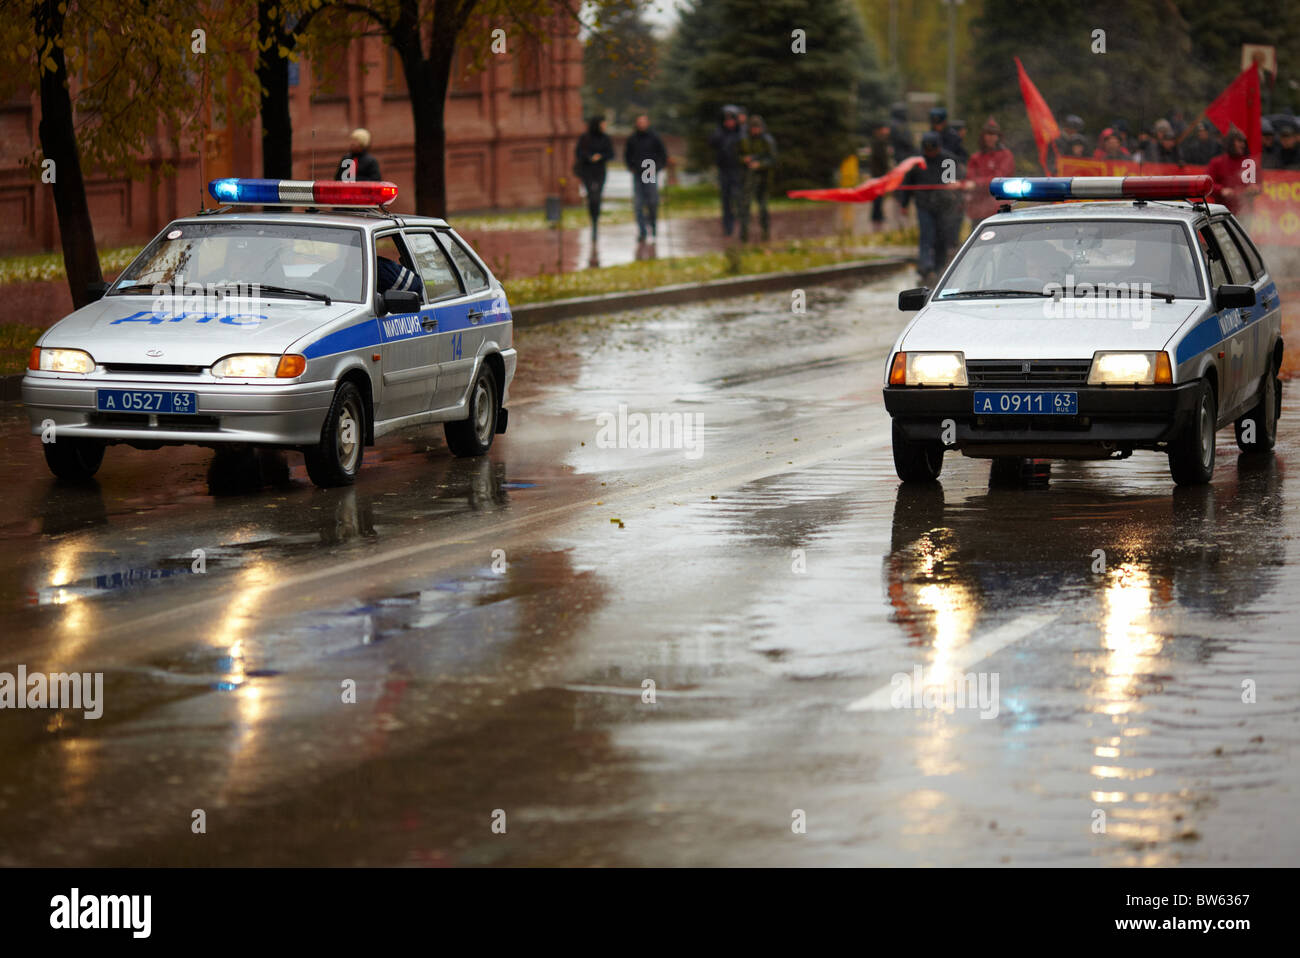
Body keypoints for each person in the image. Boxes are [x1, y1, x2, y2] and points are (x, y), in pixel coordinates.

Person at [900, 131, 963, 286]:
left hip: (944, 205)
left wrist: (954, 188)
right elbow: (908, 182)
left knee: (942, 237)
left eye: (932, 149)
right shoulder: (916, 161)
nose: (930, 153)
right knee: (926, 235)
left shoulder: (948, 160)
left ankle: (939, 267)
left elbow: (955, 182)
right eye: (927, 149)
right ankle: (925, 267)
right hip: (924, 204)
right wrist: (904, 203)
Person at [624, 114, 669, 242]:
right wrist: (630, 166)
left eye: (643, 122)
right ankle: (642, 230)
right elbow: (627, 155)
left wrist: (658, 167)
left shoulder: (654, 137)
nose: (641, 124)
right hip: (637, 172)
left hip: (650, 171)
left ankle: (652, 225)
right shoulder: (632, 139)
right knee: (638, 203)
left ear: (647, 123)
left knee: (652, 201)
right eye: (639, 122)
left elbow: (662, 154)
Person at [964, 118, 1014, 225]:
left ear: (998, 137)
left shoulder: (1006, 155)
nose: (990, 138)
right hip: (978, 210)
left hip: (999, 209)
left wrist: (976, 183)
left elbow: (999, 179)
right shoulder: (975, 157)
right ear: (983, 136)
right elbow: (969, 178)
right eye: (988, 134)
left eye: (993, 134)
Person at [573, 116, 614, 242]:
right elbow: (578, 152)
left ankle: (596, 220)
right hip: (587, 171)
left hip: (600, 171)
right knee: (592, 196)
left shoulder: (605, 138)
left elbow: (611, 154)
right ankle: (593, 219)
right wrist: (589, 157)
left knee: (597, 196)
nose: (605, 126)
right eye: (603, 123)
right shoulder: (585, 138)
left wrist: (600, 157)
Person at [738, 115, 777, 242]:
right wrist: (745, 159)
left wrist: (760, 164)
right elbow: (738, 154)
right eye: (753, 128)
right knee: (745, 205)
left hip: (764, 178)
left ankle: (765, 232)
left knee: (763, 206)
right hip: (749, 178)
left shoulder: (767, 140)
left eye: (757, 128)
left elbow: (773, 159)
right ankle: (744, 234)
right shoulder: (745, 140)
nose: (755, 131)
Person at [1206, 129, 1259, 215]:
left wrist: (1254, 188)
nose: (1242, 145)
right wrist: (1221, 190)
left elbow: (1256, 184)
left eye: (1244, 142)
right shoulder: (1217, 162)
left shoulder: (1249, 163)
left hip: (1245, 212)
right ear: (1230, 143)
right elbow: (1208, 184)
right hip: (1222, 213)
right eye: (1239, 141)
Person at [709, 108, 744, 237]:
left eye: (731, 120)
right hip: (724, 170)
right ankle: (727, 227)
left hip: (737, 170)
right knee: (726, 200)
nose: (729, 123)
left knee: (738, 197)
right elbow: (712, 142)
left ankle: (741, 225)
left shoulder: (740, 133)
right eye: (726, 120)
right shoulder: (720, 133)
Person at [868, 120, 893, 230]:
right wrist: (887, 170)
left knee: (879, 195)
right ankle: (877, 216)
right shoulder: (879, 142)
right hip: (879, 173)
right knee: (878, 196)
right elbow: (882, 158)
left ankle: (878, 215)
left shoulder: (879, 141)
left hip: (877, 173)